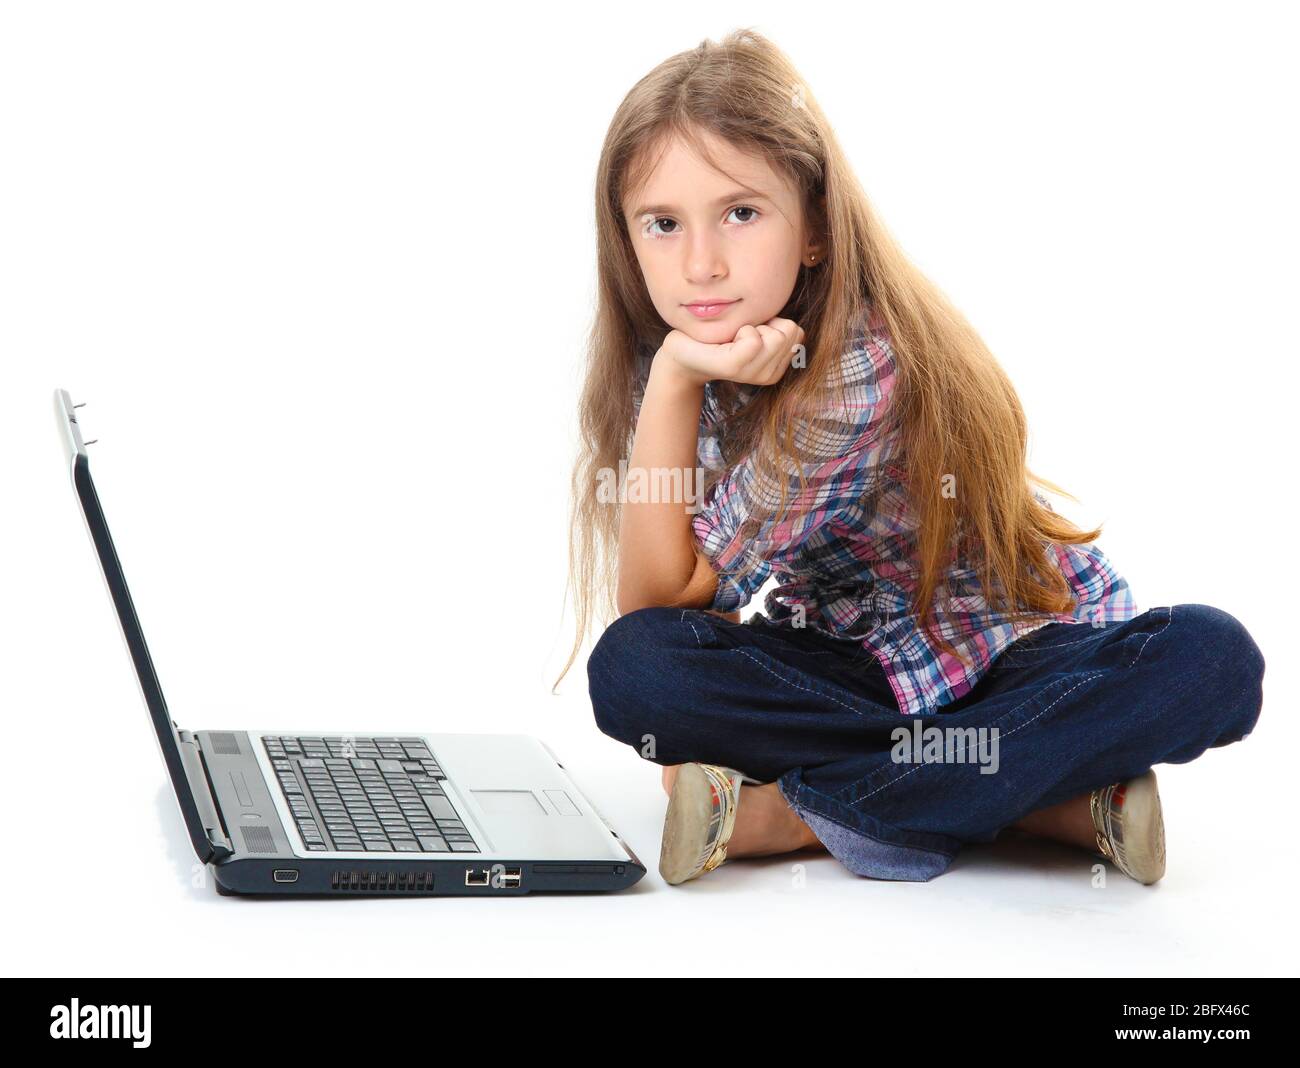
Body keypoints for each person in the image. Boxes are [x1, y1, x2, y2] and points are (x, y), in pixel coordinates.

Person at [553, 28, 1265, 887]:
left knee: (1210, 660)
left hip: (1004, 657)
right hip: (855, 666)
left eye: (741, 213)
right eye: (663, 224)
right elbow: (658, 613)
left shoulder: (859, 364)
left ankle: (801, 815)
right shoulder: (682, 358)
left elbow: (676, 588)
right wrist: (670, 376)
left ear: (814, 227)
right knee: (636, 671)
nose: (701, 264)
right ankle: (1045, 801)